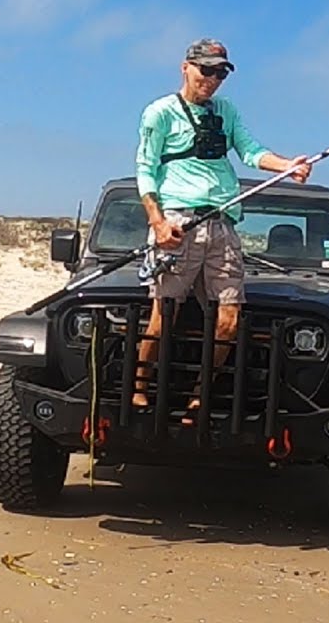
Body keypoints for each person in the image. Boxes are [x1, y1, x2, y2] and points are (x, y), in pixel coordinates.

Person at [131, 38, 311, 416]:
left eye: (220, 73)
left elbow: (249, 150)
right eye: (206, 70)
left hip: (224, 223)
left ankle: (200, 394)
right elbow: (145, 169)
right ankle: (139, 387)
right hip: (178, 220)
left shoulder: (227, 112)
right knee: (164, 315)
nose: (212, 79)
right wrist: (158, 222)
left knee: (229, 319)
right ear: (186, 67)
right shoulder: (159, 112)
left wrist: (288, 166)